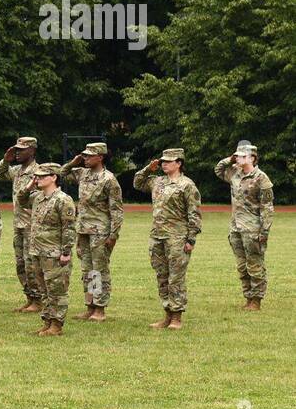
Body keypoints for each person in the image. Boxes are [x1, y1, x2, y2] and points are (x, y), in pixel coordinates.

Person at [133, 149, 201, 330]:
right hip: (157, 236)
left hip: (177, 237)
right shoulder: (158, 181)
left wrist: (191, 239)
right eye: (162, 161)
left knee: (176, 277)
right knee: (162, 276)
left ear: (179, 163)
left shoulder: (187, 185)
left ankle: (177, 317)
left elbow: (194, 214)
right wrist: (148, 168)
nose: (164, 164)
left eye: (169, 161)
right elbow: (137, 183)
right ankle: (167, 315)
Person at [59, 142, 124, 322]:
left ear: (100, 157)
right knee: (87, 270)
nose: (85, 158)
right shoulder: (82, 174)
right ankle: (90, 306)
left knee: (99, 270)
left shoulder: (108, 179)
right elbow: (61, 174)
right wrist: (73, 163)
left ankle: (100, 309)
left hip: (100, 231)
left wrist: (113, 235)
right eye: (84, 155)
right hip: (83, 230)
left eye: (89, 155)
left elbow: (117, 210)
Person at [215, 141, 273, 311]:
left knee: (254, 264)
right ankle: (248, 298)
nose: (238, 158)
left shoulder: (261, 178)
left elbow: (267, 208)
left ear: (253, 158)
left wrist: (264, 231)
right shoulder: (235, 173)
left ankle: (256, 300)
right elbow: (218, 170)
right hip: (236, 228)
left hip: (253, 229)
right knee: (241, 265)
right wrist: (229, 159)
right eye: (237, 155)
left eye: (242, 156)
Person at [25, 163, 76, 336]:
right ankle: (47, 321)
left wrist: (66, 252)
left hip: (54, 252)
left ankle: (57, 324)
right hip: (38, 251)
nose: (38, 178)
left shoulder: (63, 199)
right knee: (44, 290)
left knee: (57, 290)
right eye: (36, 176)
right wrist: (30, 184)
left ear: (54, 177)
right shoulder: (38, 198)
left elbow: (68, 228)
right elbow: (21, 199)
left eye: (42, 176)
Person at [0, 137, 42, 312]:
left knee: (32, 264)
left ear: (32, 151)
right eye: (16, 149)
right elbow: (0, 175)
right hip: (19, 224)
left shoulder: (39, 172)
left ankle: (38, 300)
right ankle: (30, 298)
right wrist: (5, 161)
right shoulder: (16, 171)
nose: (17, 153)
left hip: (33, 225)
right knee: (21, 264)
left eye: (21, 150)